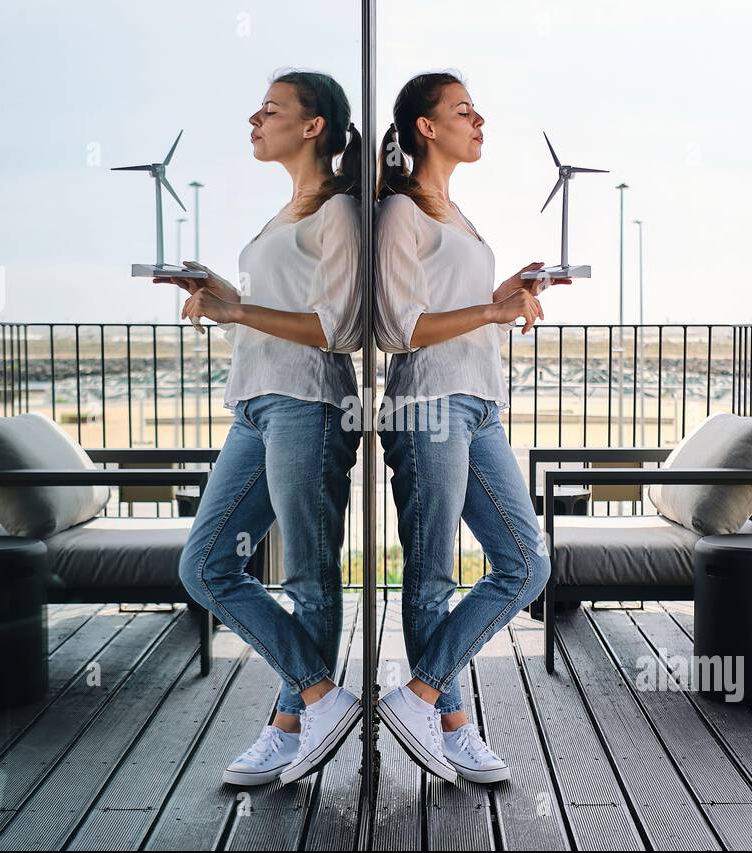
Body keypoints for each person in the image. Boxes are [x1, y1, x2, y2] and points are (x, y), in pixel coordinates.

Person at [169, 70, 363, 786]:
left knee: (306, 578)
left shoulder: (338, 215)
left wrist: (239, 312)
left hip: (306, 403)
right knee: (209, 564)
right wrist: (228, 294)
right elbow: (279, 305)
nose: (255, 118)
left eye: (272, 109)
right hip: (255, 401)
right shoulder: (287, 210)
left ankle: (292, 722)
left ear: (313, 125)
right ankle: (318, 698)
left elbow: (339, 328)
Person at [373, 71, 561, 783]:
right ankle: (449, 725)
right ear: (426, 126)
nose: (480, 122)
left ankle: (418, 696)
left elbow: (452, 307)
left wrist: (501, 295)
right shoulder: (402, 215)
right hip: (428, 404)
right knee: (432, 579)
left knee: (524, 562)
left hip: (479, 403)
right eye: (463, 111)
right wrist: (488, 312)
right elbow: (397, 330)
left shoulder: (456, 212)